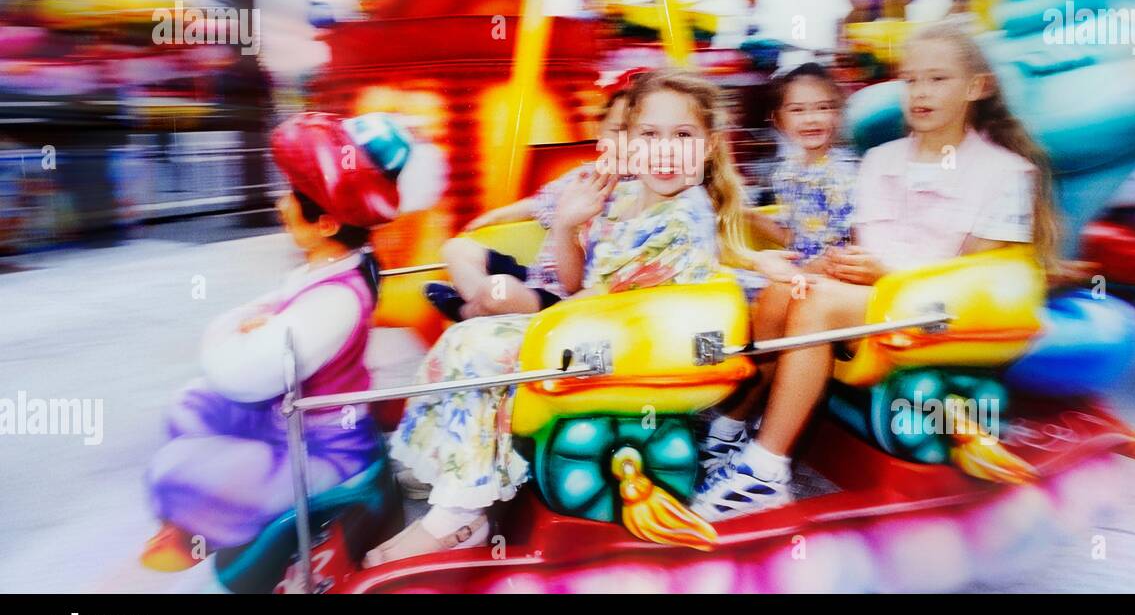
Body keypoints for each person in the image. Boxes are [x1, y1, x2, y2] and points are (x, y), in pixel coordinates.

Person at [364, 68, 753, 564]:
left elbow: (596, 301)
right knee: (469, 338)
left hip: (637, 347)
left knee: (480, 347)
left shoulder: (679, 219)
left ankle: (459, 515)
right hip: (599, 328)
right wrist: (570, 223)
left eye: (683, 135)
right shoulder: (624, 199)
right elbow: (575, 284)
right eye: (650, 134)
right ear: (628, 140)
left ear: (709, 145)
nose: (665, 149)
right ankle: (455, 490)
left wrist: (537, 314)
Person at [692, 23, 1060, 520]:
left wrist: (886, 273)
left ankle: (765, 471)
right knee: (786, 290)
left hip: (941, 310)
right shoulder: (881, 160)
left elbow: (977, 278)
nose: (921, 92)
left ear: (977, 88)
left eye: (937, 79)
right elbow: (864, 245)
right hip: (876, 297)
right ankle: (740, 430)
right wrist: (834, 262)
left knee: (815, 301)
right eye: (911, 80)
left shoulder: (1006, 173)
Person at [140, 112, 436, 570]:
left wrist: (227, 331)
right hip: (290, 420)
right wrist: (249, 325)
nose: (281, 203)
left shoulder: (337, 299)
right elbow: (267, 316)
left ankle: (214, 518)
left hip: (324, 451)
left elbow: (244, 375)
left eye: (292, 195)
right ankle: (216, 517)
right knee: (191, 405)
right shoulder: (327, 269)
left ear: (327, 224)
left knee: (172, 472)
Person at [701, 62, 857, 473]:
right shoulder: (789, 173)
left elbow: (854, 240)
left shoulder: (843, 174)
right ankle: (734, 409)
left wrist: (820, 265)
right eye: (799, 110)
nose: (812, 118)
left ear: (838, 115)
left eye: (823, 108)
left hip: (836, 278)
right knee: (727, 287)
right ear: (779, 120)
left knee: (766, 300)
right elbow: (795, 236)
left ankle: (740, 418)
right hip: (803, 269)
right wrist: (750, 218)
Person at [424, 70, 640, 322]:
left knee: (499, 292)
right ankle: (483, 305)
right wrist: (496, 216)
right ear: (600, 132)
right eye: (618, 130)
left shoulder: (646, 191)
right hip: (537, 277)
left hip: (562, 298)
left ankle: (468, 310)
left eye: (639, 133)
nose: (627, 142)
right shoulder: (583, 176)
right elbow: (540, 203)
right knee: (456, 248)